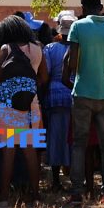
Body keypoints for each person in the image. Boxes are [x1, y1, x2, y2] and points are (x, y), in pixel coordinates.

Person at [63, 0, 104, 204]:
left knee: (80, 143)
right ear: (101, 6)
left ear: (82, 8)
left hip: (83, 92)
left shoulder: (78, 27)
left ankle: (77, 191)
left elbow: (72, 63)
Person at [0, 15, 48, 202]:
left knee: (8, 150)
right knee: (30, 150)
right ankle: (35, 193)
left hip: (5, 104)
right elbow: (44, 77)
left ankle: (4, 195)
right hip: (30, 103)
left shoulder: (5, 49)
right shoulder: (37, 49)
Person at [43, 11, 76, 191]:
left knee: (55, 137)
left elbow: (45, 74)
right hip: (74, 95)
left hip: (54, 98)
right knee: (73, 138)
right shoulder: (78, 49)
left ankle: (56, 180)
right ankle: (75, 179)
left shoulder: (49, 48)